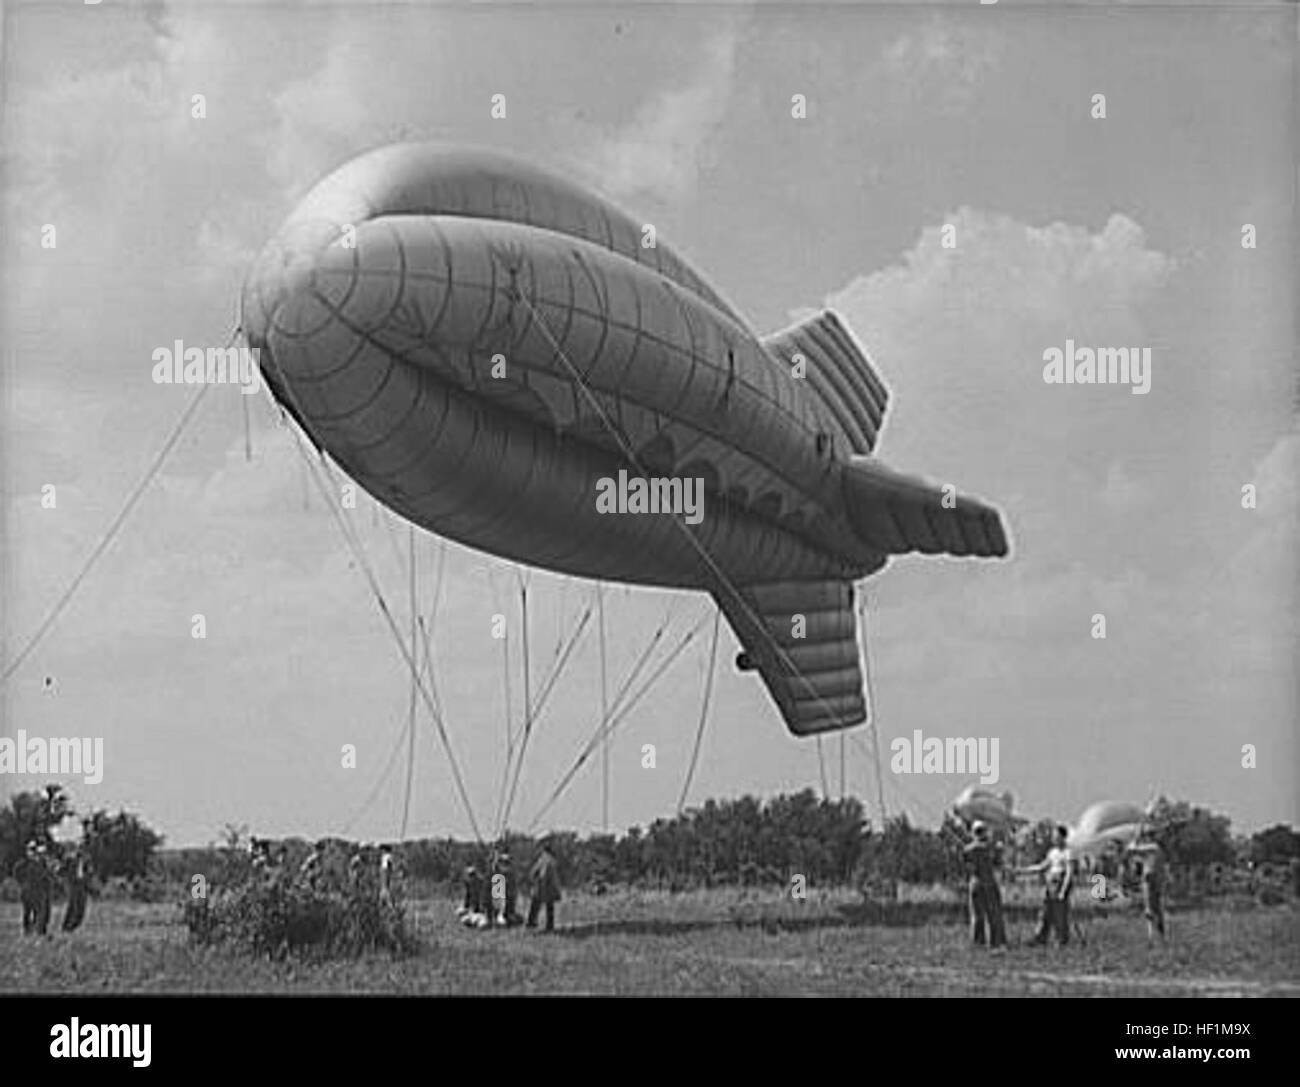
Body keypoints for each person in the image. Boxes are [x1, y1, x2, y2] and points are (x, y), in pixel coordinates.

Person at [1022, 825, 1073, 947]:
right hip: (1050, 882)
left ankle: (1061, 940)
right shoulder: (1052, 852)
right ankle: (1040, 937)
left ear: (1062, 837)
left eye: (1056, 836)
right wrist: (1023, 870)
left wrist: (1063, 890)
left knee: (1060, 913)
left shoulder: (1068, 853)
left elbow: (1069, 872)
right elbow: (1042, 867)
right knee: (1045, 911)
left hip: (1059, 882)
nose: (1054, 838)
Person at [964, 822, 1006, 948]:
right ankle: (995, 941)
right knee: (993, 914)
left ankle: (979, 942)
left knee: (977, 915)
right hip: (988, 883)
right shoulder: (992, 847)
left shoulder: (970, 848)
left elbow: (967, 862)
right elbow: (998, 864)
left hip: (976, 883)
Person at [1129, 841, 1166, 942]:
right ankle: (1154, 935)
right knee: (1151, 908)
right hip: (1151, 880)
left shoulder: (1154, 847)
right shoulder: (1150, 853)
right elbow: (1136, 855)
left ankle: (1156, 935)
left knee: (1153, 908)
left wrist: (1134, 843)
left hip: (1152, 880)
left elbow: (1134, 849)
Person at [15, 841, 53, 936]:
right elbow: (17, 874)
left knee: (41, 911)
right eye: (31, 850)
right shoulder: (24, 864)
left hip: (40, 891)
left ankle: (39, 930)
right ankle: (28, 930)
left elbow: (47, 876)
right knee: (28, 911)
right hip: (28, 891)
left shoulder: (41, 862)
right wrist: (23, 884)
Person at [527, 840, 561, 932]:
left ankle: (531, 923)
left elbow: (537, 873)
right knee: (548, 907)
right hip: (547, 886)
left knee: (536, 905)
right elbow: (539, 873)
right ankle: (548, 926)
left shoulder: (543, 859)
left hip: (542, 886)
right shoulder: (550, 859)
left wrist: (536, 883)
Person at [61, 847, 91, 933]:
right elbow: (63, 870)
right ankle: (66, 927)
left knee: (82, 907)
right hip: (72, 885)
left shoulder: (86, 861)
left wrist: (87, 882)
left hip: (82, 885)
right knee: (73, 905)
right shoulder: (70, 860)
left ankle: (74, 926)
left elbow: (88, 872)